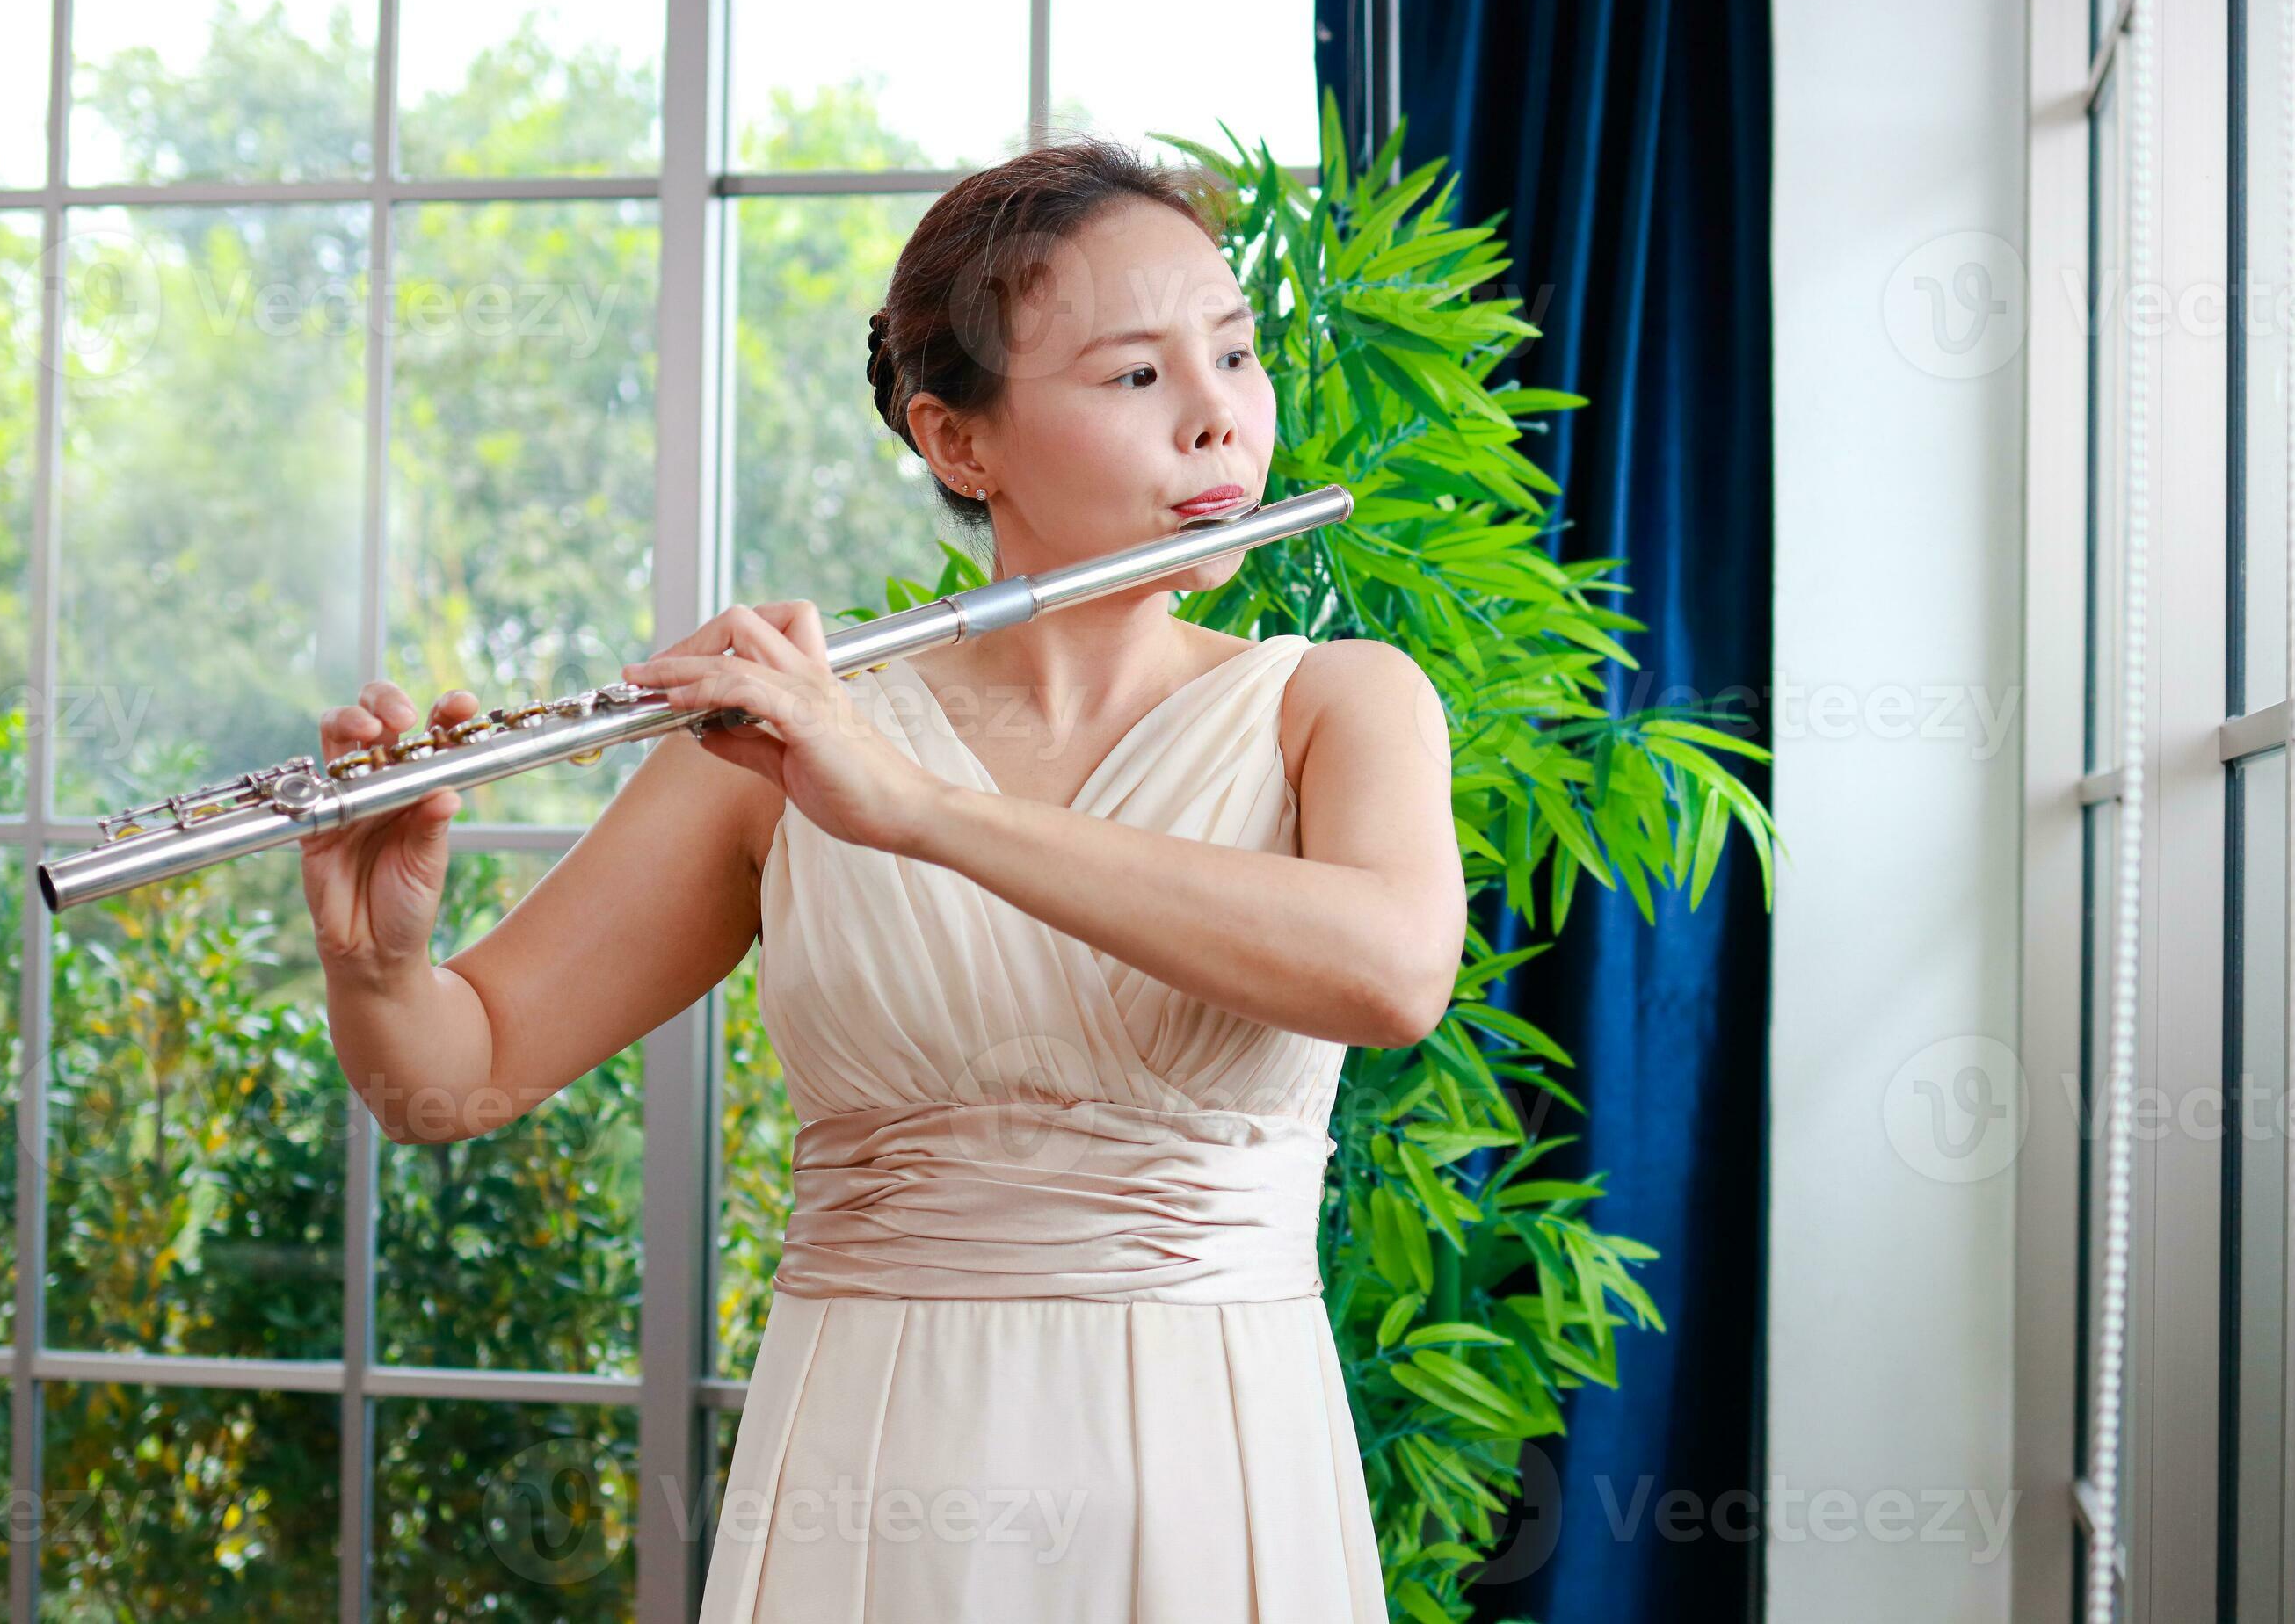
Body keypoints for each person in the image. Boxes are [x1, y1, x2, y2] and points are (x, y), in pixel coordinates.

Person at [302, 134, 1466, 1621]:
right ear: (957, 442)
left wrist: (915, 809)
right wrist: (379, 963)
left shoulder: (1341, 702)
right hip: (876, 1476)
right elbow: (450, 1081)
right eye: (1135, 378)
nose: (1219, 424)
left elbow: (1389, 971)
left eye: (1233, 356)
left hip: (1214, 1465)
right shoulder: (784, 738)